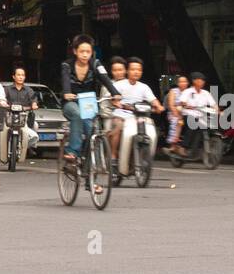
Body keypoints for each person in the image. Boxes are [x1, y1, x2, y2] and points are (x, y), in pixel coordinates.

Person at [60, 35, 120, 169]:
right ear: (75, 51)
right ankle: (72, 152)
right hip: (71, 103)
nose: (85, 55)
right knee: (76, 114)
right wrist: (67, 92)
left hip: (88, 103)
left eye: (88, 52)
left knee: (91, 132)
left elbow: (106, 79)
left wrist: (115, 93)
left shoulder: (96, 64)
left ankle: (89, 177)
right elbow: (65, 80)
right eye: (82, 51)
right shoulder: (67, 65)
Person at [110, 60, 165, 174]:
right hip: (121, 114)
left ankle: (143, 157)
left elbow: (153, 100)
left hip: (138, 116)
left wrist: (158, 106)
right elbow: (113, 99)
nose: (136, 72)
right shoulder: (118, 85)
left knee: (150, 128)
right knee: (117, 128)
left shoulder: (144, 87)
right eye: (133, 69)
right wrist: (117, 103)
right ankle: (113, 156)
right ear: (128, 71)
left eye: (139, 70)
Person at [0, 65, 39, 165]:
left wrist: (34, 104)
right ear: (14, 76)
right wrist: (3, 104)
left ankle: (28, 148)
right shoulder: (7, 89)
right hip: (8, 116)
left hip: (23, 116)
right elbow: (1, 99)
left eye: (23, 75)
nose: (21, 77)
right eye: (18, 75)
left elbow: (34, 100)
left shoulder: (29, 90)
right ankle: (1, 150)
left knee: (35, 128)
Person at [176, 72, 218, 158]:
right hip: (189, 115)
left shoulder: (206, 93)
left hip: (201, 117)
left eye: (203, 80)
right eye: (199, 80)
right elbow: (182, 102)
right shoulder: (188, 91)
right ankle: (183, 147)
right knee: (193, 125)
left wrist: (217, 110)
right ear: (194, 81)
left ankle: (194, 149)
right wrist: (187, 105)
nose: (201, 82)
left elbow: (213, 104)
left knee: (203, 129)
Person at [164, 75, 189, 154]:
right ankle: (173, 145)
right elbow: (171, 105)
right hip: (174, 112)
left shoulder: (190, 92)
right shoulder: (173, 91)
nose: (183, 83)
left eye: (184, 81)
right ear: (178, 83)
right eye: (181, 82)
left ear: (187, 83)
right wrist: (177, 115)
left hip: (187, 112)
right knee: (177, 121)